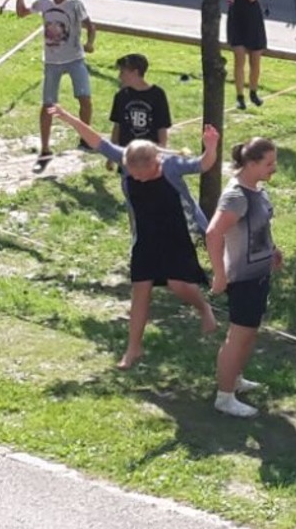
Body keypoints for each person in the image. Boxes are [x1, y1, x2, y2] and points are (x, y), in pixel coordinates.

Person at [48, 107, 221, 370]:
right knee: (140, 290)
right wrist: (70, 118)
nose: (136, 178)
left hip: (175, 232)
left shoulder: (171, 167)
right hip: (145, 235)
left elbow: (203, 164)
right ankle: (133, 349)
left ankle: (204, 308)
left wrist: (211, 146)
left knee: (178, 284)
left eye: (142, 175)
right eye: (132, 173)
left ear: (155, 164)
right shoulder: (127, 159)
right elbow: (98, 141)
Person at [205, 138, 283, 418]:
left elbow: (257, 227)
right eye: (269, 163)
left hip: (259, 275)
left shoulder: (256, 190)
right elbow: (213, 234)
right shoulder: (236, 196)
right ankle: (224, 397)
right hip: (243, 279)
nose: (274, 168)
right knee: (238, 337)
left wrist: (272, 250)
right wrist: (220, 275)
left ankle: (235, 379)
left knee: (248, 334)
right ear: (251, 164)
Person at [18, 0, 98, 163]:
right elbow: (22, 12)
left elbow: (90, 26)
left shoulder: (75, 3)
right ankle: (45, 147)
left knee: (84, 98)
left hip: (75, 58)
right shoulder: (43, 1)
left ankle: (86, 139)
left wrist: (89, 43)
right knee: (48, 104)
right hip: (52, 61)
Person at [109, 52, 172, 149]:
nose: (119, 76)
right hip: (126, 152)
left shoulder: (157, 95)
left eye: (122, 72)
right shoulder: (121, 96)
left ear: (135, 72)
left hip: (148, 153)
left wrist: (161, 148)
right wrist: (112, 152)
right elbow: (117, 125)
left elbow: (162, 126)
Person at [227, 0, 268, 109]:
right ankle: (239, 96)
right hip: (237, 15)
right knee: (239, 59)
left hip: (252, 17)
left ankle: (253, 92)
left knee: (255, 60)